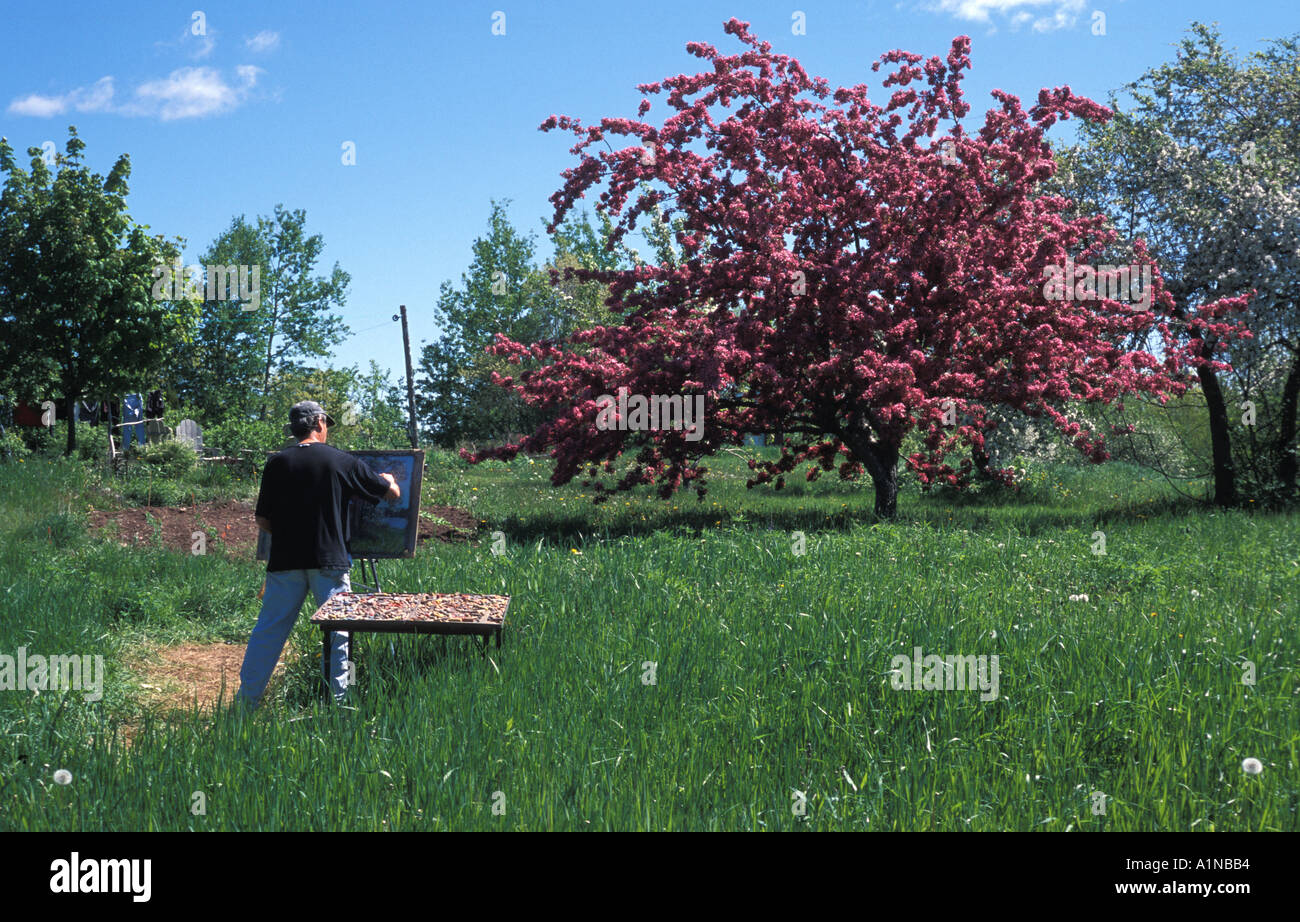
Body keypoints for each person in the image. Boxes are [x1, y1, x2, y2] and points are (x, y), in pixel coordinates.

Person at [234, 401, 400, 709]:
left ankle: (245, 705)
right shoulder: (342, 461)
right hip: (330, 563)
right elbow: (391, 494)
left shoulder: (277, 463)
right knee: (339, 633)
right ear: (320, 423)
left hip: (284, 562)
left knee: (268, 632)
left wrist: (290, 535)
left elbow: (262, 520)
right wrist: (389, 479)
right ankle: (339, 705)